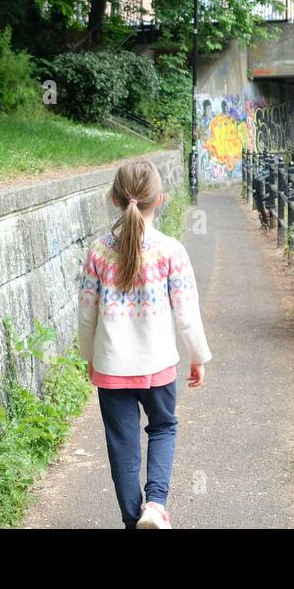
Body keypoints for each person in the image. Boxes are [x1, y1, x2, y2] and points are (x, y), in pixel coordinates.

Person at [77, 159, 211, 529]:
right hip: (157, 365)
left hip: (112, 367)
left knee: (122, 446)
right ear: (161, 199)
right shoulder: (170, 251)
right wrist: (197, 356)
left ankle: (131, 520)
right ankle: (155, 506)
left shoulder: (98, 252)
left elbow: (87, 313)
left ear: (115, 200)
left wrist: (90, 356)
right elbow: (187, 312)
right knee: (163, 427)